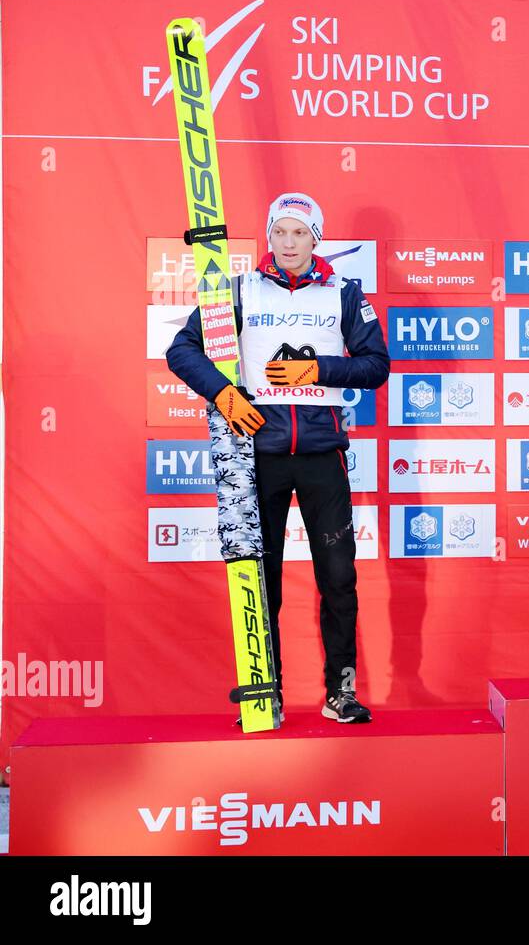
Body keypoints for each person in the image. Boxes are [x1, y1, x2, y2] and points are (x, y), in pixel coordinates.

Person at [168, 193, 390, 723]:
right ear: (269, 236)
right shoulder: (239, 291)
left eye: (299, 233)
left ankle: (341, 693)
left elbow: (376, 365)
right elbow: (181, 348)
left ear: (317, 237)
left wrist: (320, 371)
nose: (288, 243)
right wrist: (223, 393)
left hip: (321, 455)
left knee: (338, 578)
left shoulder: (344, 293)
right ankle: (266, 693)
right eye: (280, 232)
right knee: (259, 578)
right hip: (256, 457)